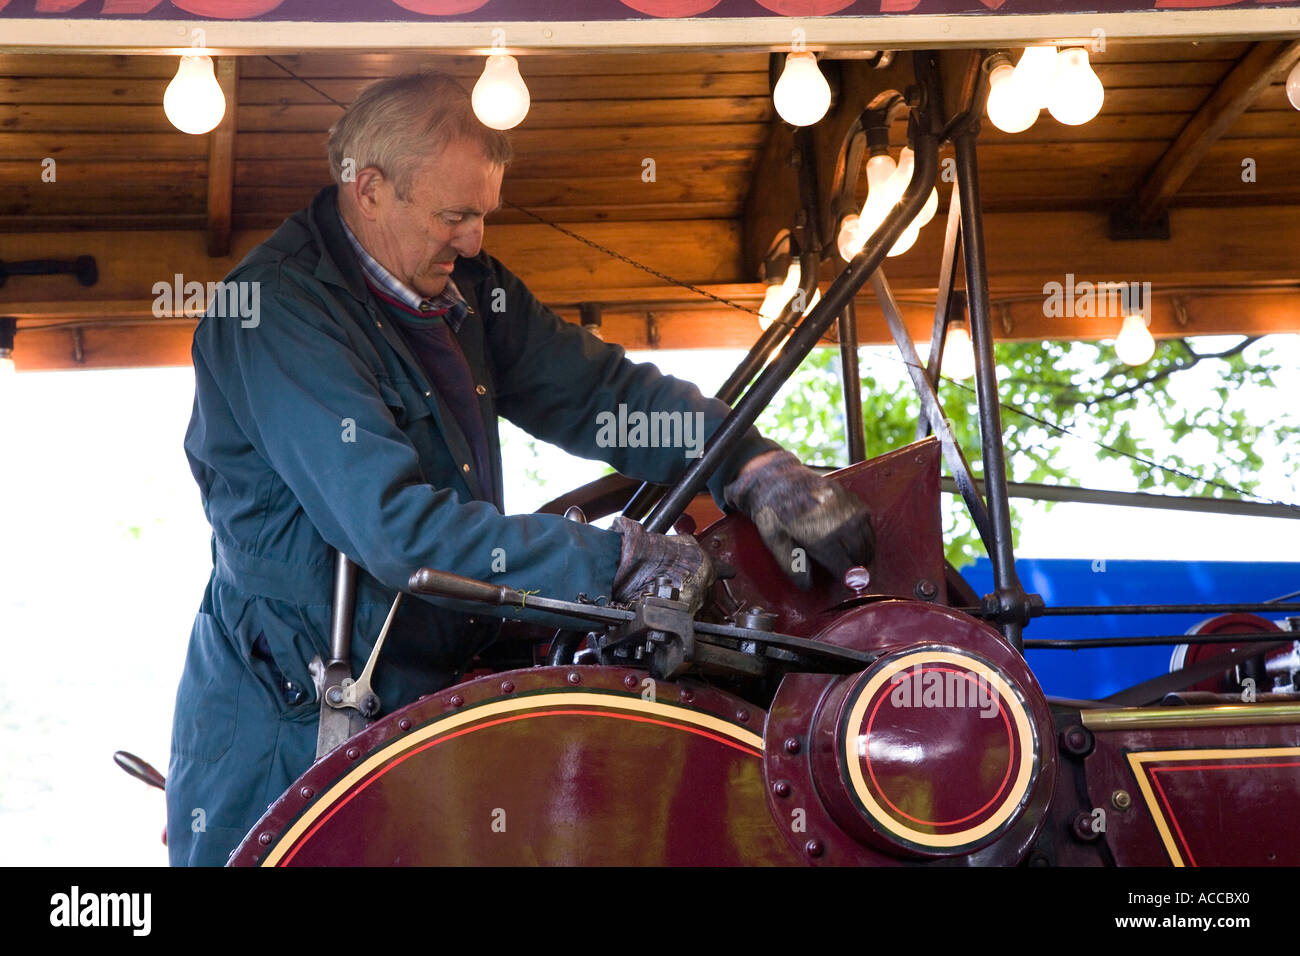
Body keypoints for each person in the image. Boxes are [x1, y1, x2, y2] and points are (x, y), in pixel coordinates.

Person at [167, 71, 873, 866]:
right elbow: (397, 531)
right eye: (454, 216)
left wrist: (747, 462)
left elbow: (601, 396)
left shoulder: (462, 289)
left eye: (482, 216)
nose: (473, 241)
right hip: (291, 726)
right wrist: (617, 565)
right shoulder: (275, 315)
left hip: (423, 696)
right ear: (369, 190)